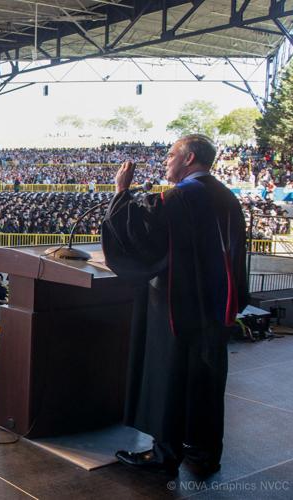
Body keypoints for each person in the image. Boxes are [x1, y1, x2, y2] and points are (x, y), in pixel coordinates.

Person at [103, 135, 247, 477]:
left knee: (171, 376)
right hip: (216, 307)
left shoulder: (178, 197)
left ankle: (164, 454)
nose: (166, 161)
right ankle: (204, 453)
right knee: (206, 382)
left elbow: (138, 236)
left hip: (177, 307)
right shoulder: (226, 196)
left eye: (171, 155)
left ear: (189, 158)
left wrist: (121, 193)